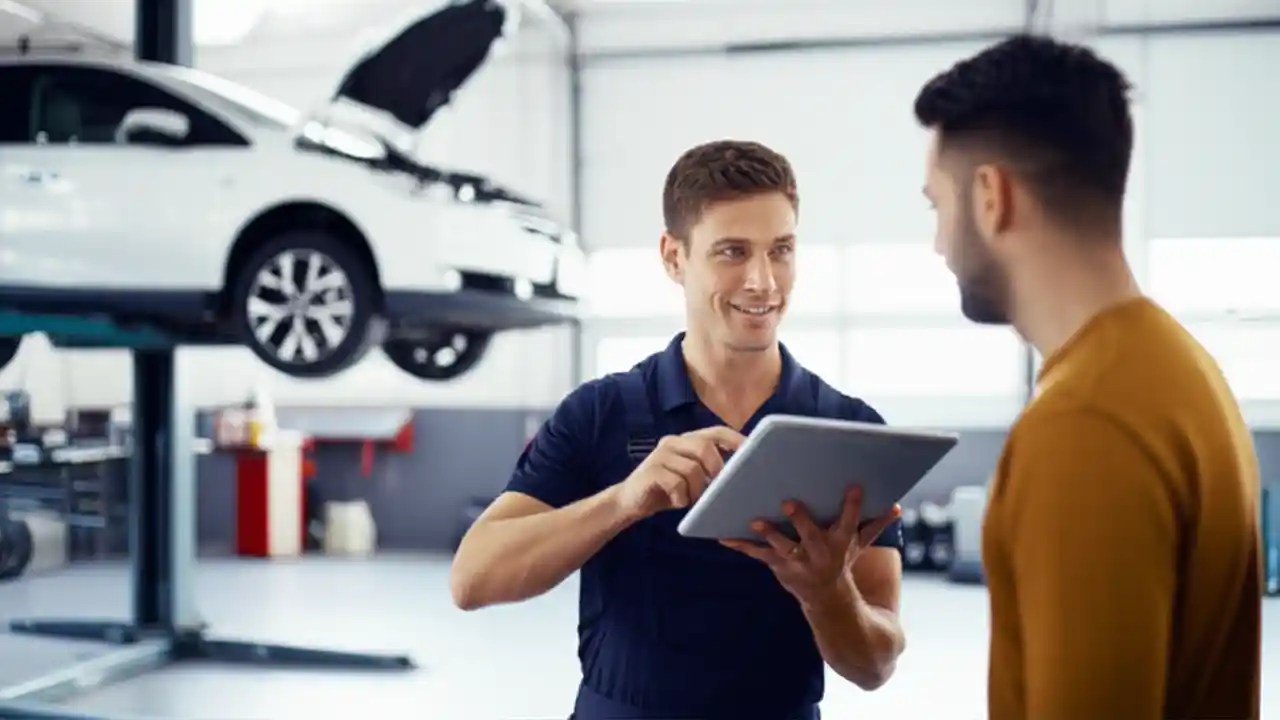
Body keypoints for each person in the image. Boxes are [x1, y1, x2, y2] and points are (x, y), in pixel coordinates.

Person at [449, 139, 907, 719]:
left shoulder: (847, 429)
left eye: (781, 250)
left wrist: (827, 593)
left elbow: (876, 664)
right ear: (673, 257)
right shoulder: (598, 414)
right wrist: (623, 501)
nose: (763, 281)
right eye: (733, 252)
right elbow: (472, 579)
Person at [914, 34, 1262, 720]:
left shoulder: (1084, 428)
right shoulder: (1177, 367)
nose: (937, 243)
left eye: (937, 206)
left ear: (991, 196)